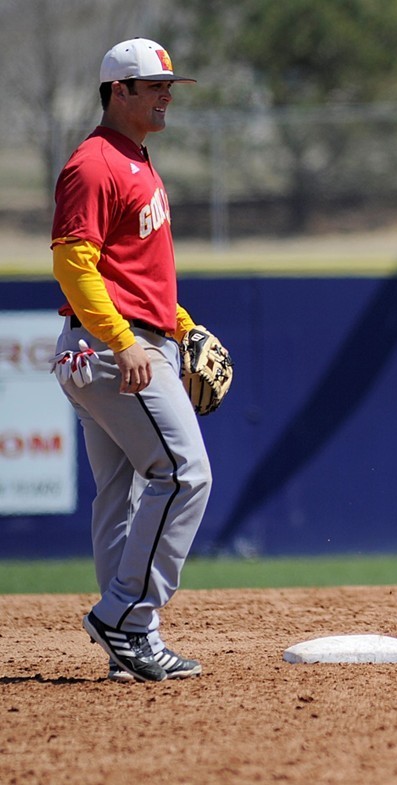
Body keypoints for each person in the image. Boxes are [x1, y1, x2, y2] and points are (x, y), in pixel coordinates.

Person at [51, 38, 212, 682]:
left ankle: (130, 644)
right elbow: (72, 263)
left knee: (119, 495)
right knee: (184, 474)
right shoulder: (94, 164)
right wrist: (126, 342)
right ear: (118, 91)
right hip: (118, 349)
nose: (167, 94)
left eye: (170, 84)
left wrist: (184, 326)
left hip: (128, 341)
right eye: (154, 85)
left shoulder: (136, 160)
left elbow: (135, 270)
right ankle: (126, 615)